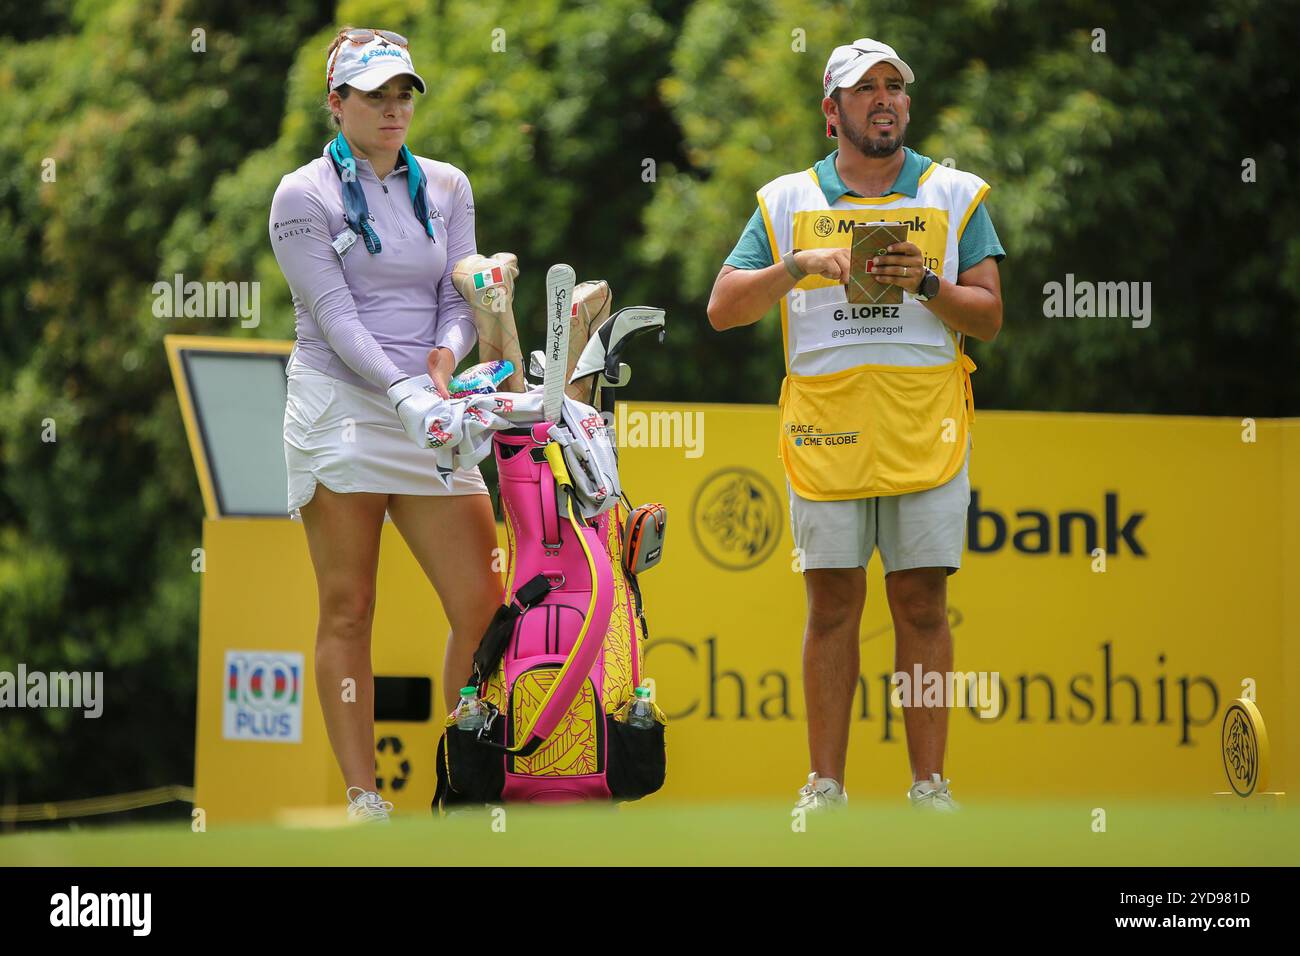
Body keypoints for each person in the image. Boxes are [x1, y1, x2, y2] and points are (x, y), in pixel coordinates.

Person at [707, 38, 1005, 812]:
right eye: (865, 88)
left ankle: (929, 787)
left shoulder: (955, 193)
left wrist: (928, 283)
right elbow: (723, 309)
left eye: (894, 86)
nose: (884, 99)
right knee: (833, 605)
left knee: (923, 604)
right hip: (826, 432)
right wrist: (794, 267)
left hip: (925, 429)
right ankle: (825, 787)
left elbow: (989, 316)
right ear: (830, 110)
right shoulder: (785, 200)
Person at [269, 27, 502, 821]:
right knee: (349, 608)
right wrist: (401, 391)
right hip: (341, 408)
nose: (394, 109)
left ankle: (462, 778)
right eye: (375, 96)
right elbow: (334, 316)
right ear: (337, 104)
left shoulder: (447, 185)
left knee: (483, 605)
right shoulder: (301, 195)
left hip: (428, 404)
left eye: (403, 94)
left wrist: (445, 354)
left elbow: (458, 292)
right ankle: (365, 796)